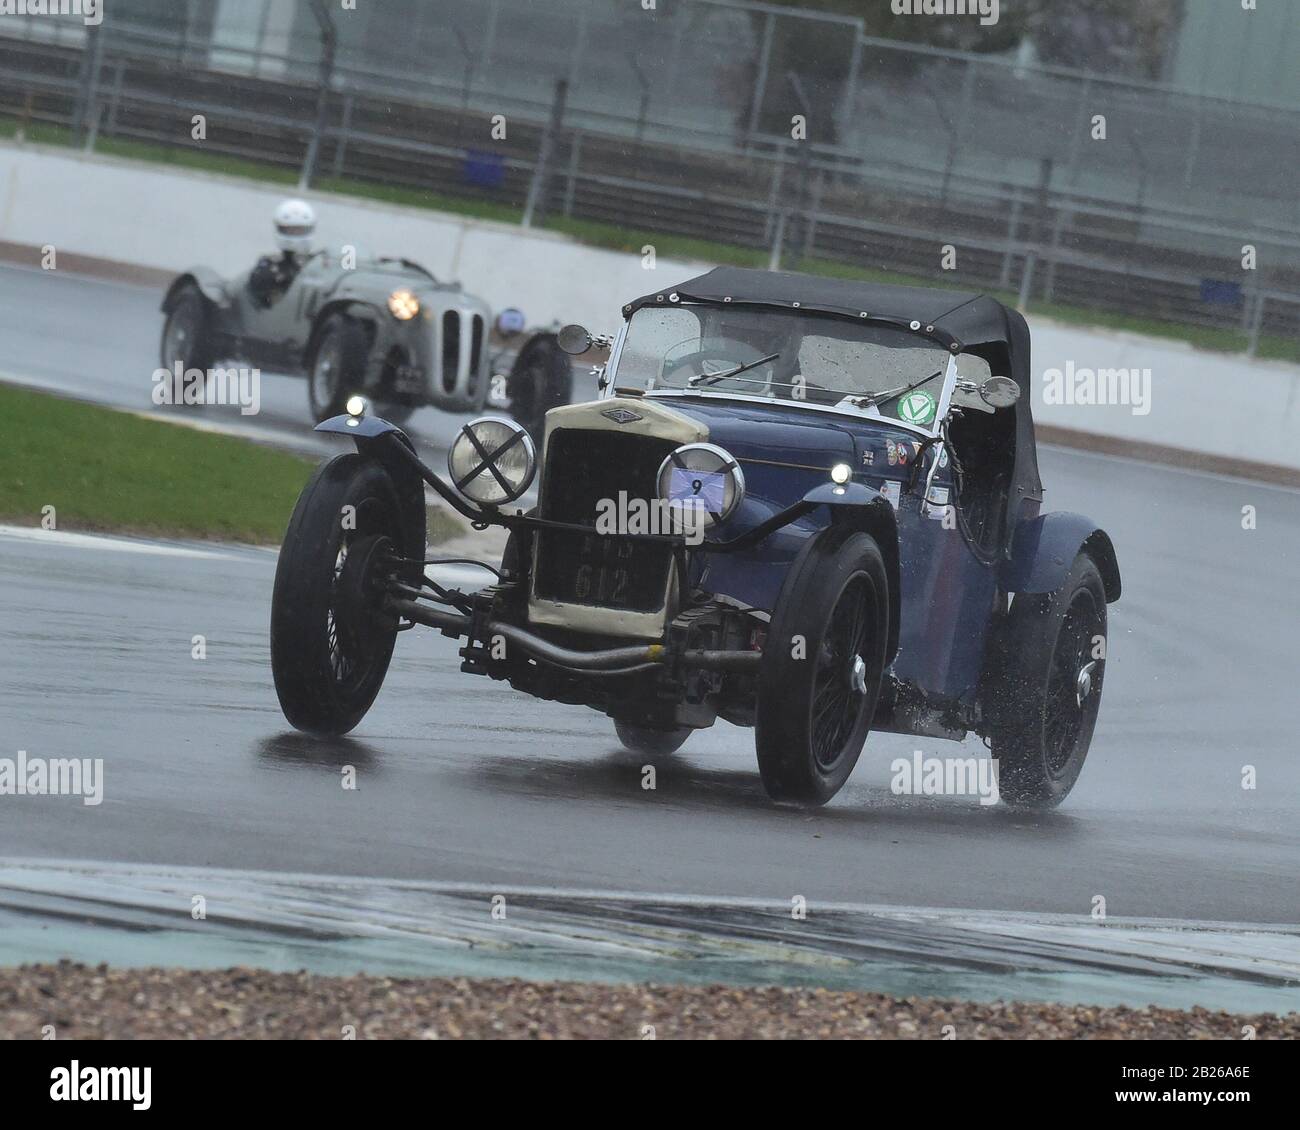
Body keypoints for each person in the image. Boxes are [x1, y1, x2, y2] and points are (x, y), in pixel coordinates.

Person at [248, 198, 315, 307]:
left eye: (300, 230)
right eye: (290, 230)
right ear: (280, 229)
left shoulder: (315, 262)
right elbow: (259, 286)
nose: (295, 234)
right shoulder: (268, 265)